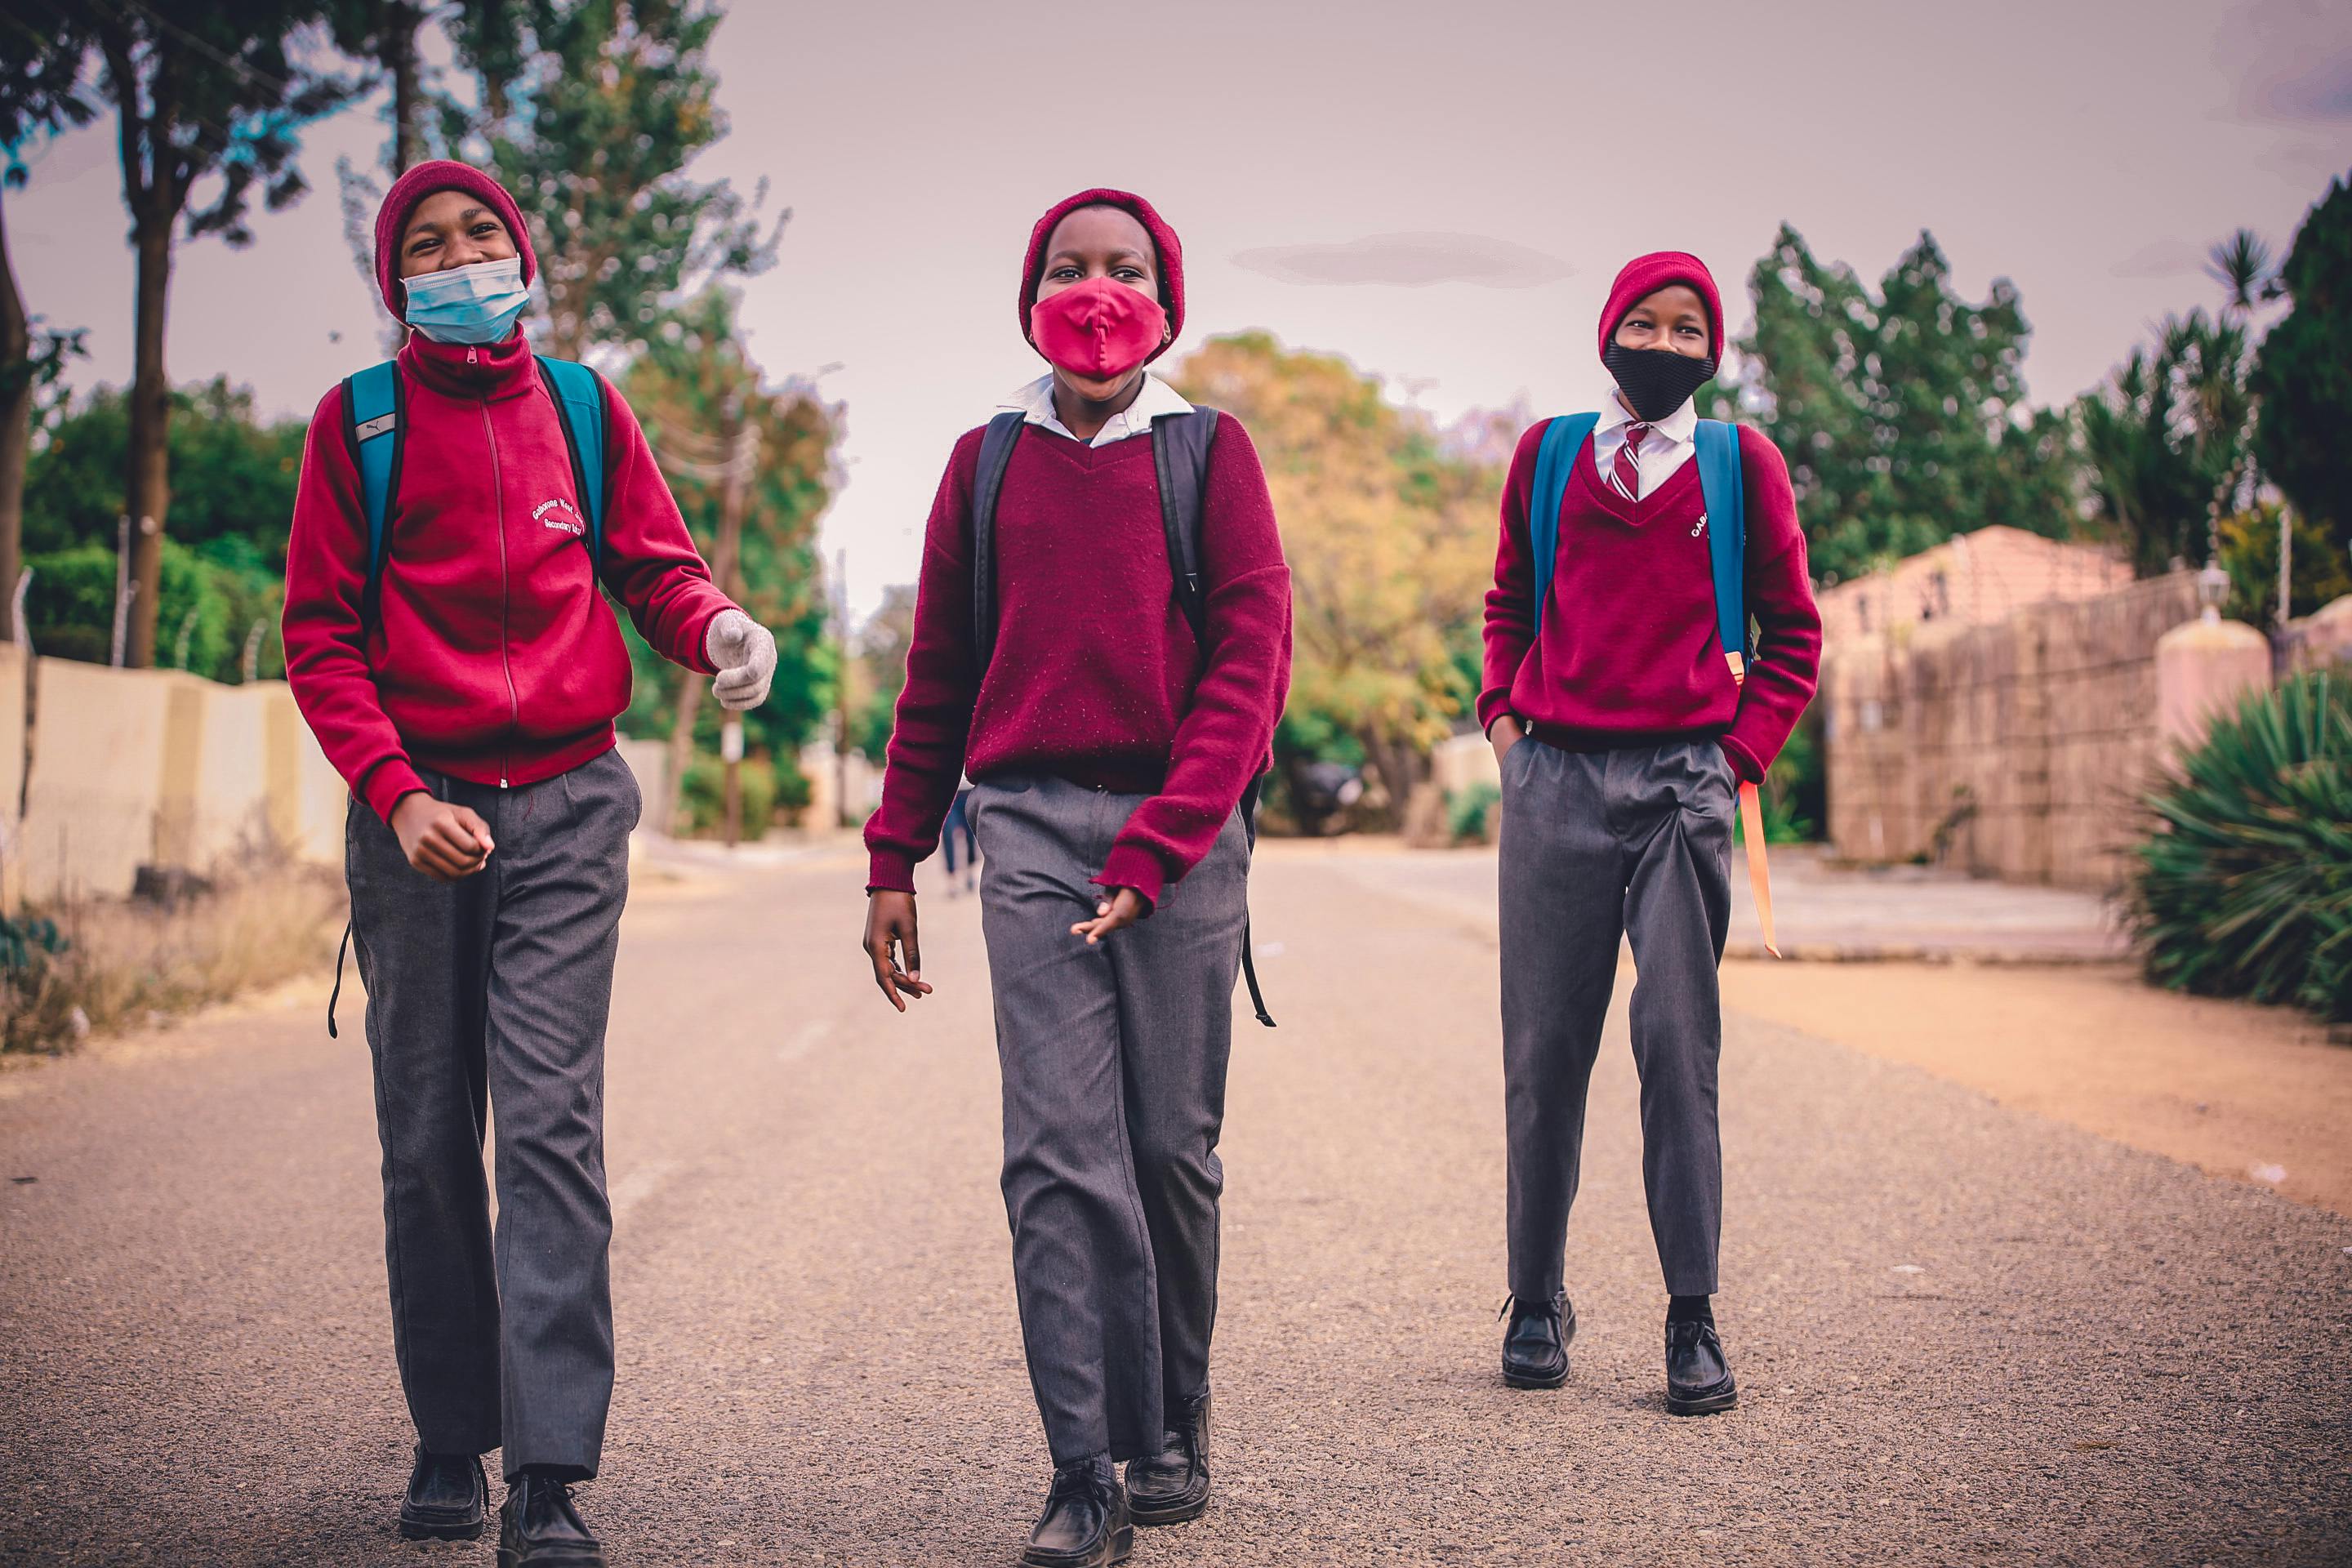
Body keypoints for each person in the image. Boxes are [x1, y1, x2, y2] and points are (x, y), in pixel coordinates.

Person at [283, 159, 778, 1566]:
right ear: (396, 284)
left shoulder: (579, 406)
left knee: (551, 1124)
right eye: (425, 246)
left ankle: (552, 1470)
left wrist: (718, 630)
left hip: (568, 803)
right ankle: (452, 1435)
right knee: (430, 1133)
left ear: (523, 256)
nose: (456, 258)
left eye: (478, 235)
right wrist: (391, 794)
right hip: (420, 820)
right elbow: (318, 635)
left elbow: (653, 568)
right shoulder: (358, 425)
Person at [860, 188, 1291, 1568]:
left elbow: (1249, 661)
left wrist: (1165, 842)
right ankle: (1085, 1469)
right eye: (1067, 267)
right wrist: (894, 855)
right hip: (1032, 832)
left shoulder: (1208, 454)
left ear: (1166, 298)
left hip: (1184, 836)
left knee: (1167, 1151)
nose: (1095, 289)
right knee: (1058, 1155)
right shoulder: (985, 465)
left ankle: (1173, 1411)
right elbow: (938, 677)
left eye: (1124, 269)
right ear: (1029, 295)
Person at [1479, 252, 1822, 1416]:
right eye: (1645, 323)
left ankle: (1692, 1315)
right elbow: (1508, 603)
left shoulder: (1738, 466)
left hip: (1683, 783)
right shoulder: (1552, 455)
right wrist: (1505, 727)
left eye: (1690, 331)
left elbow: (1795, 637)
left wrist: (1734, 758)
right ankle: (1536, 1298)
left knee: (1679, 1047)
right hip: (1554, 781)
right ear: (1606, 331)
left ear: (1712, 352)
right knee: (1543, 1056)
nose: (1664, 346)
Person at [942, 775, 978, 895]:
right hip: (949, 793)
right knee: (948, 834)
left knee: (971, 835)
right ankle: (952, 879)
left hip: (969, 792)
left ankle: (970, 872)